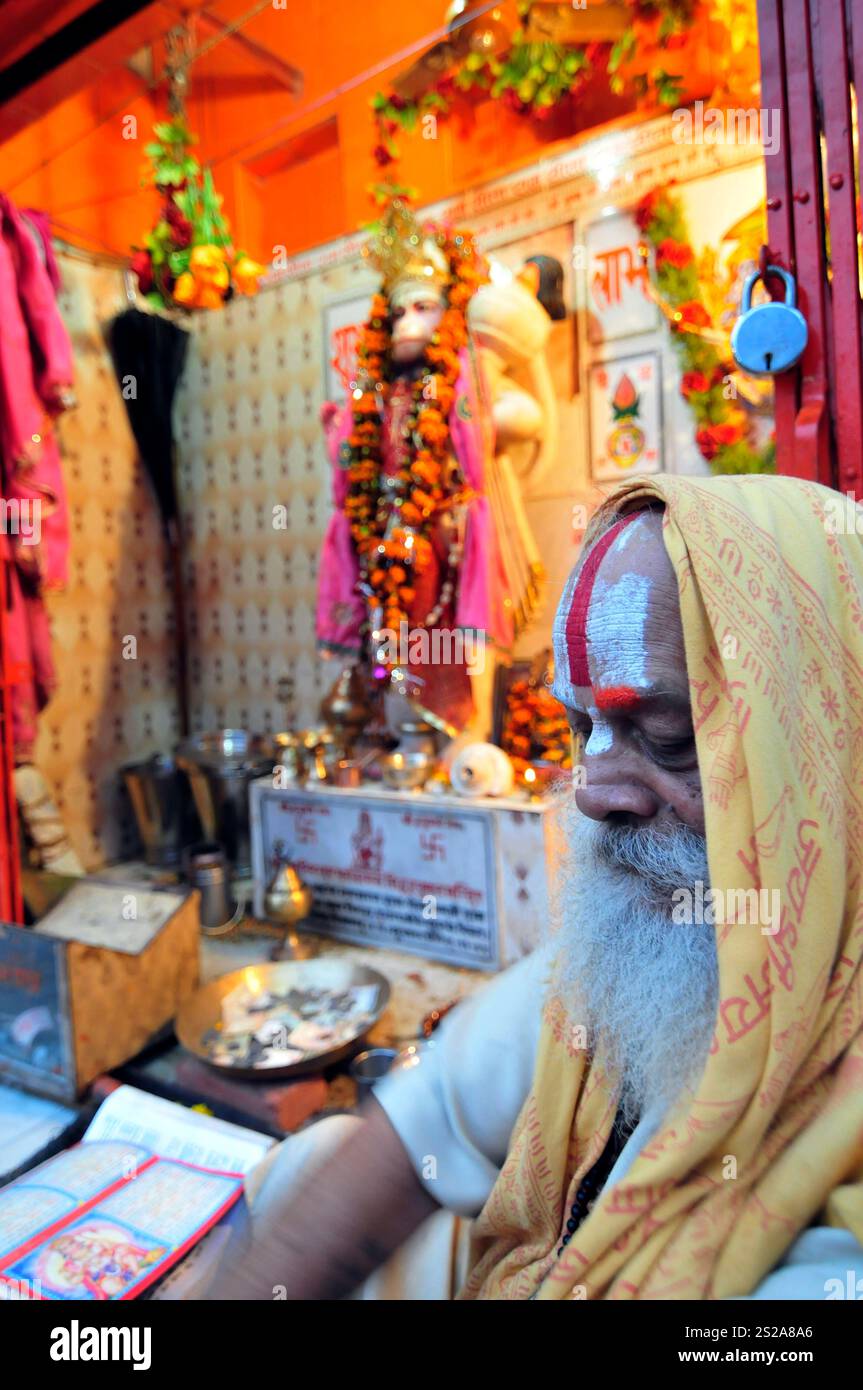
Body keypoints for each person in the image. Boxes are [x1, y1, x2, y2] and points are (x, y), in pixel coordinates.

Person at [205, 473, 863, 1301]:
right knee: (309, 1160)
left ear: (831, 740)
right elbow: (423, 1119)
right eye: (582, 729)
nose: (591, 789)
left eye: (666, 737)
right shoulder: (653, 938)